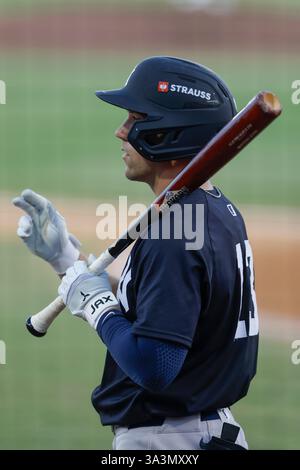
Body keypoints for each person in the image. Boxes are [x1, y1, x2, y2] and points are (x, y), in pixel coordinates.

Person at [13, 56, 259, 450]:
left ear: (167, 133)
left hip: (170, 442)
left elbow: (154, 365)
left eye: (134, 119)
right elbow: (166, 303)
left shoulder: (175, 231)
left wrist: (96, 306)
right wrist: (67, 263)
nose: (120, 132)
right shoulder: (213, 210)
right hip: (199, 432)